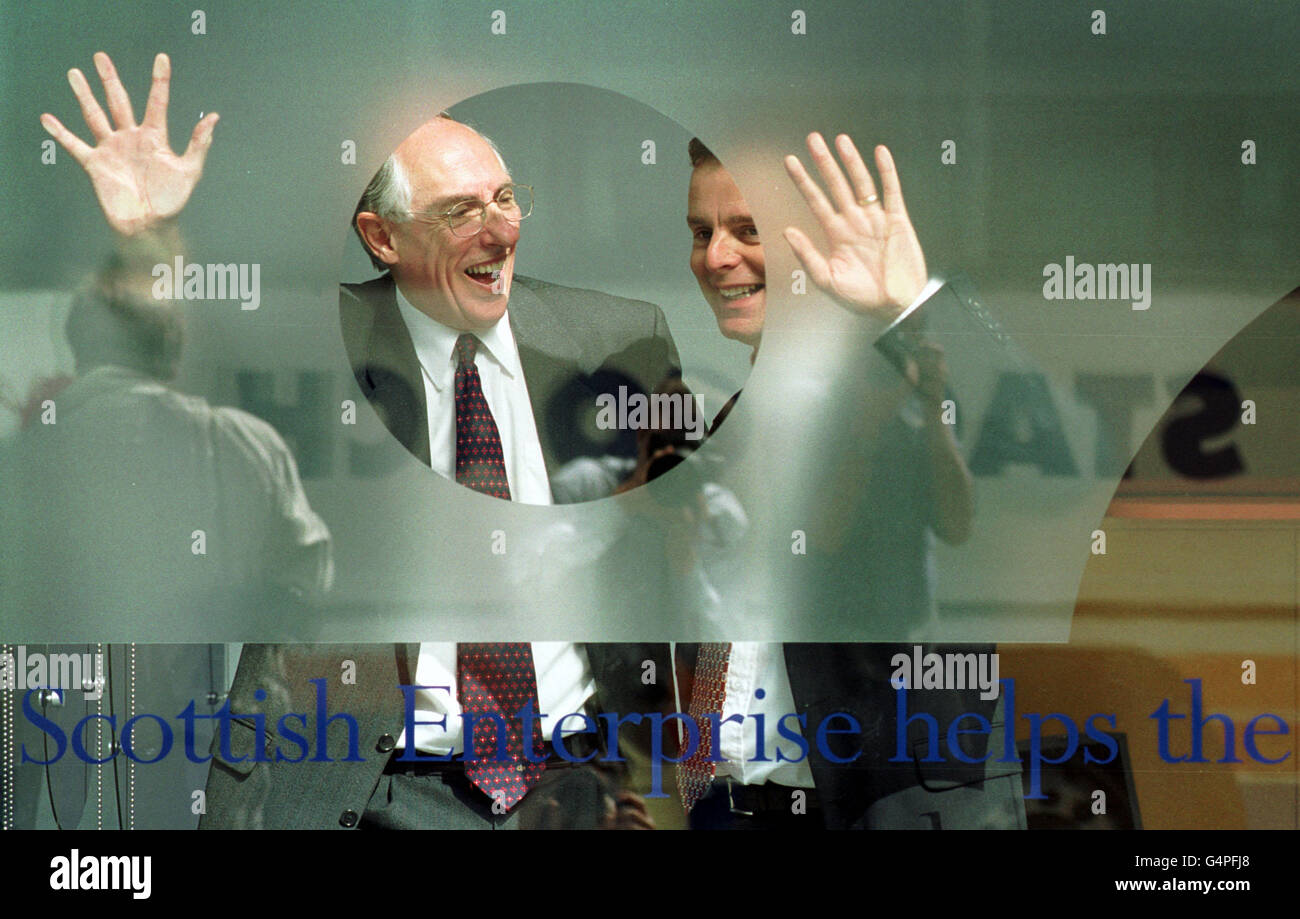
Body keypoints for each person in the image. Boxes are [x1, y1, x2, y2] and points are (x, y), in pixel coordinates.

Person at [40, 51, 675, 828]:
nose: (500, 230)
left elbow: (666, 556)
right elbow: (178, 362)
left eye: (506, 199)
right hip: (367, 786)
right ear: (381, 237)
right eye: (460, 210)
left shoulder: (617, 338)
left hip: (574, 784)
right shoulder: (311, 343)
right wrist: (148, 235)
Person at [674, 136, 1023, 829]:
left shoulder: (889, 385)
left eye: (748, 231)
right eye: (701, 232)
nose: (716, 256)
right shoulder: (725, 410)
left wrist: (907, 305)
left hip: (872, 790)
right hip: (730, 793)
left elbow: (1018, 458)